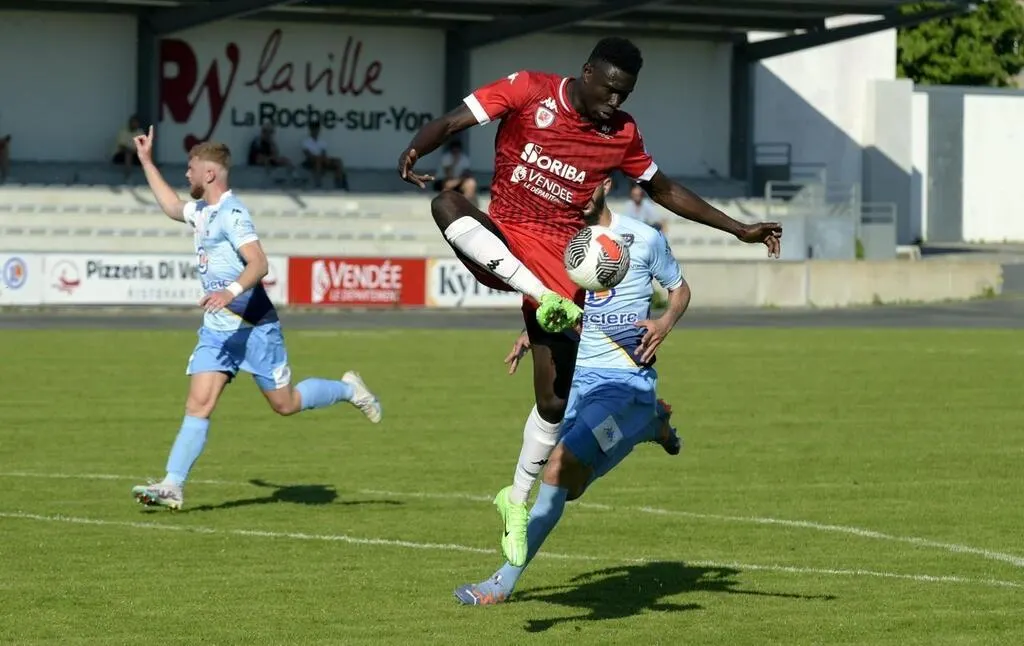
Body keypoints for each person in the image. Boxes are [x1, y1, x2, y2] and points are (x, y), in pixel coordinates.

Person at [397, 36, 781, 567]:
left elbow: (665, 189)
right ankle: (536, 294)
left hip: (562, 272)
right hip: (503, 244)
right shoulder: (528, 90)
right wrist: (418, 147)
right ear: (587, 73)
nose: (616, 103)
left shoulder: (621, 134)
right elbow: (455, 120)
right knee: (446, 202)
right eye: (610, 89)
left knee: (553, 403)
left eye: (625, 94)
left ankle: (514, 497)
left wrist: (738, 228)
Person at [454, 177, 689, 605]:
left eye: (584, 181)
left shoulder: (644, 238)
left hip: (623, 383)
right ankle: (652, 425)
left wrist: (664, 323)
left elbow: (680, 288)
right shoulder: (566, 241)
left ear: (603, 182)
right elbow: (564, 303)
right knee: (569, 486)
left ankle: (500, 584)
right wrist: (533, 335)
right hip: (575, 375)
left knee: (556, 471)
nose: (574, 191)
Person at [128, 126, 382, 510]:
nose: (187, 175)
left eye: (191, 169)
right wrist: (146, 161)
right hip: (218, 330)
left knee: (285, 403)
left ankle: (349, 389)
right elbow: (170, 205)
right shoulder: (201, 212)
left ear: (209, 174)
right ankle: (172, 485)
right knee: (198, 404)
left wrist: (227, 292)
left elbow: (259, 262)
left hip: (254, 327)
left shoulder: (233, 214)